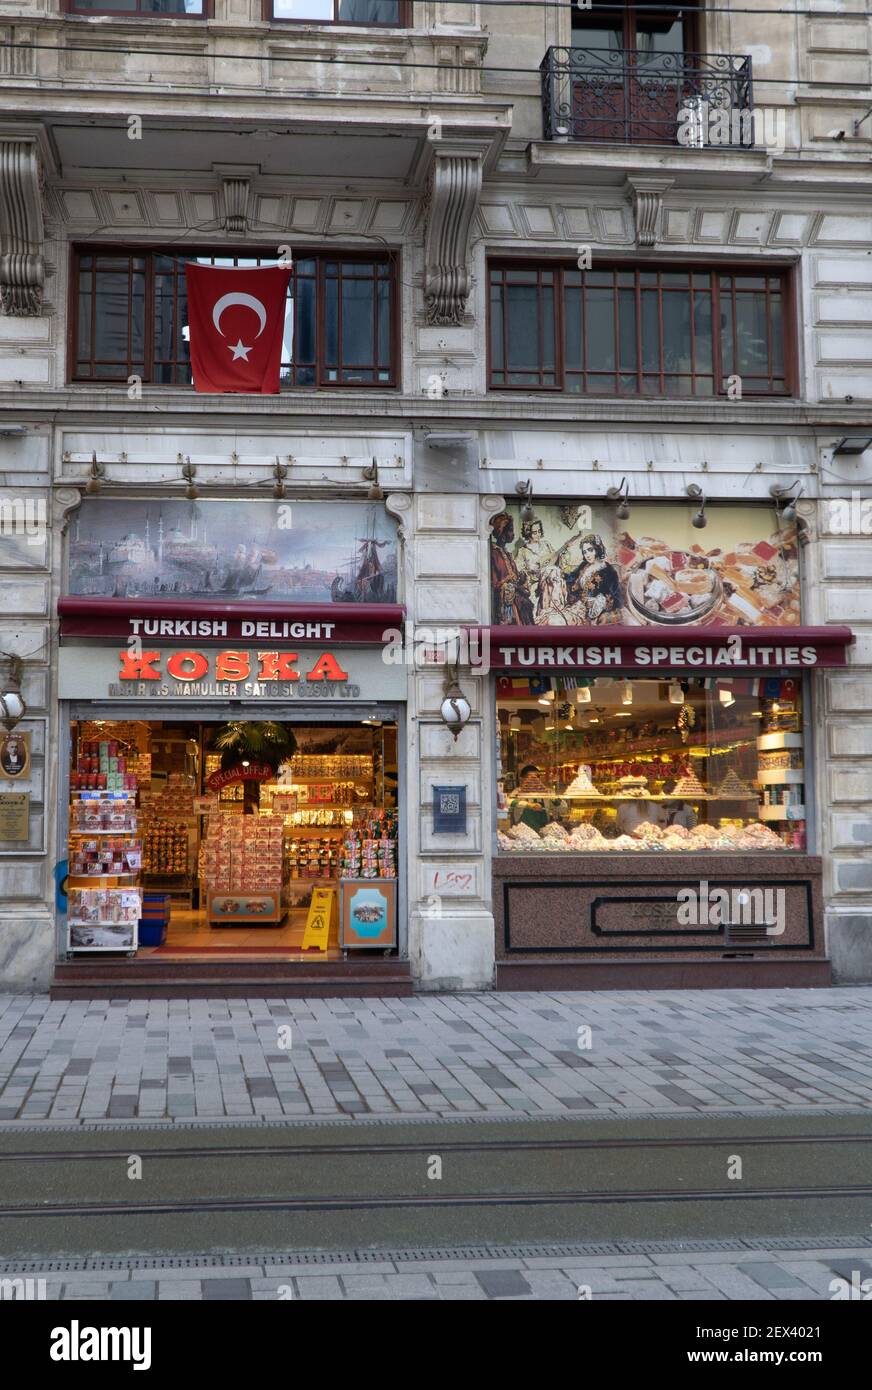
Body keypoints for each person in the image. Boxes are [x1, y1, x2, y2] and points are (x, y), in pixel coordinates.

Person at [564, 533, 626, 625]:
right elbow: (571, 577)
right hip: (578, 605)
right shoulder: (584, 565)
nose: (587, 555)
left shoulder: (608, 571)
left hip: (594, 612)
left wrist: (598, 602)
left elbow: (615, 596)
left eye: (590, 550)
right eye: (585, 552)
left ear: (597, 549)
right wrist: (559, 573)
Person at [490, 513, 535, 624]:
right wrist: (506, 582)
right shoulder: (493, 553)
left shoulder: (507, 554)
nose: (513, 534)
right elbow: (493, 581)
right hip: (503, 597)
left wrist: (522, 576)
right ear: (502, 532)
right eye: (510, 530)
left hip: (515, 594)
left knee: (526, 603)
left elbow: (516, 576)